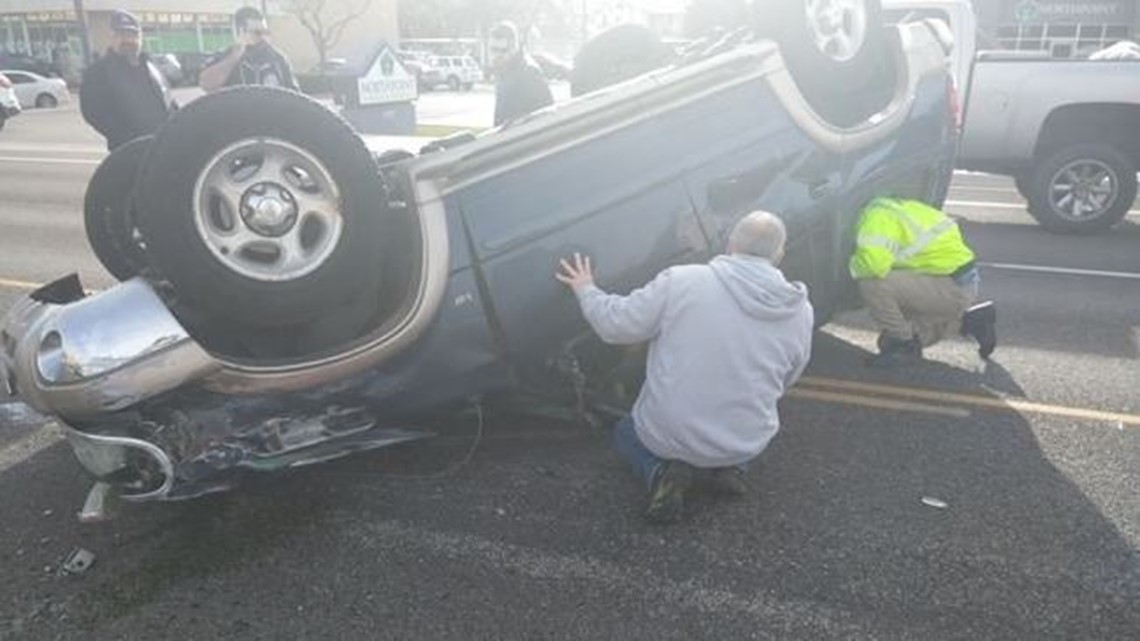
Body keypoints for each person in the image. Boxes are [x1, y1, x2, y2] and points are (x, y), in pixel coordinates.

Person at [556, 211, 814, 524]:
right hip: (746, 442)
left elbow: (616, 325)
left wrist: (586, 288)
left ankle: (661, 472)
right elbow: (788, 378)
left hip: (669, 437)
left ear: (731, 243)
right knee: (744, 423)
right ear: (780, 254)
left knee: (625, 431)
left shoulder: (683, 280)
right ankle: (729, 468)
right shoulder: (800, 310)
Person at [850, 196, 997, 368]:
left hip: (950, 287)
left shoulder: (875, 219)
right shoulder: (895, 207)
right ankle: (971, 322)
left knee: (873, 284)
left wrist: (851, 266)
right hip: (957, 282)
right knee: (889, 338)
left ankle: (903, 345)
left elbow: (873, 267)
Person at [79, 10, 175, 151]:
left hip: (162, 146)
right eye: (121, 35)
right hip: (128, 151)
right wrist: (126, 138)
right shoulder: (99, 72)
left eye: (133, 35)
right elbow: (93, 112)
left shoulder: (151, 67)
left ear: (141, 38)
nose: (128, 40)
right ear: (111, 38)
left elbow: (169, 103)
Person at [199, 6, 298, 93]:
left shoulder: (278, 59)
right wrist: (236, 55)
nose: (263, 37)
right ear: (239, 32)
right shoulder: (223, 57)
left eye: (265, 31)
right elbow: (207, 85)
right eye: (257, 32)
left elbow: (294, 96)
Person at [489, 21, 553, 126]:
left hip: (523, 139)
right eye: (493, 49)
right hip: (505, 138)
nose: (497, 55)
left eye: (503, 50)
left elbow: (546, 116)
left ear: (515, 47)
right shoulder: (503, 69)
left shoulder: (529, 73)